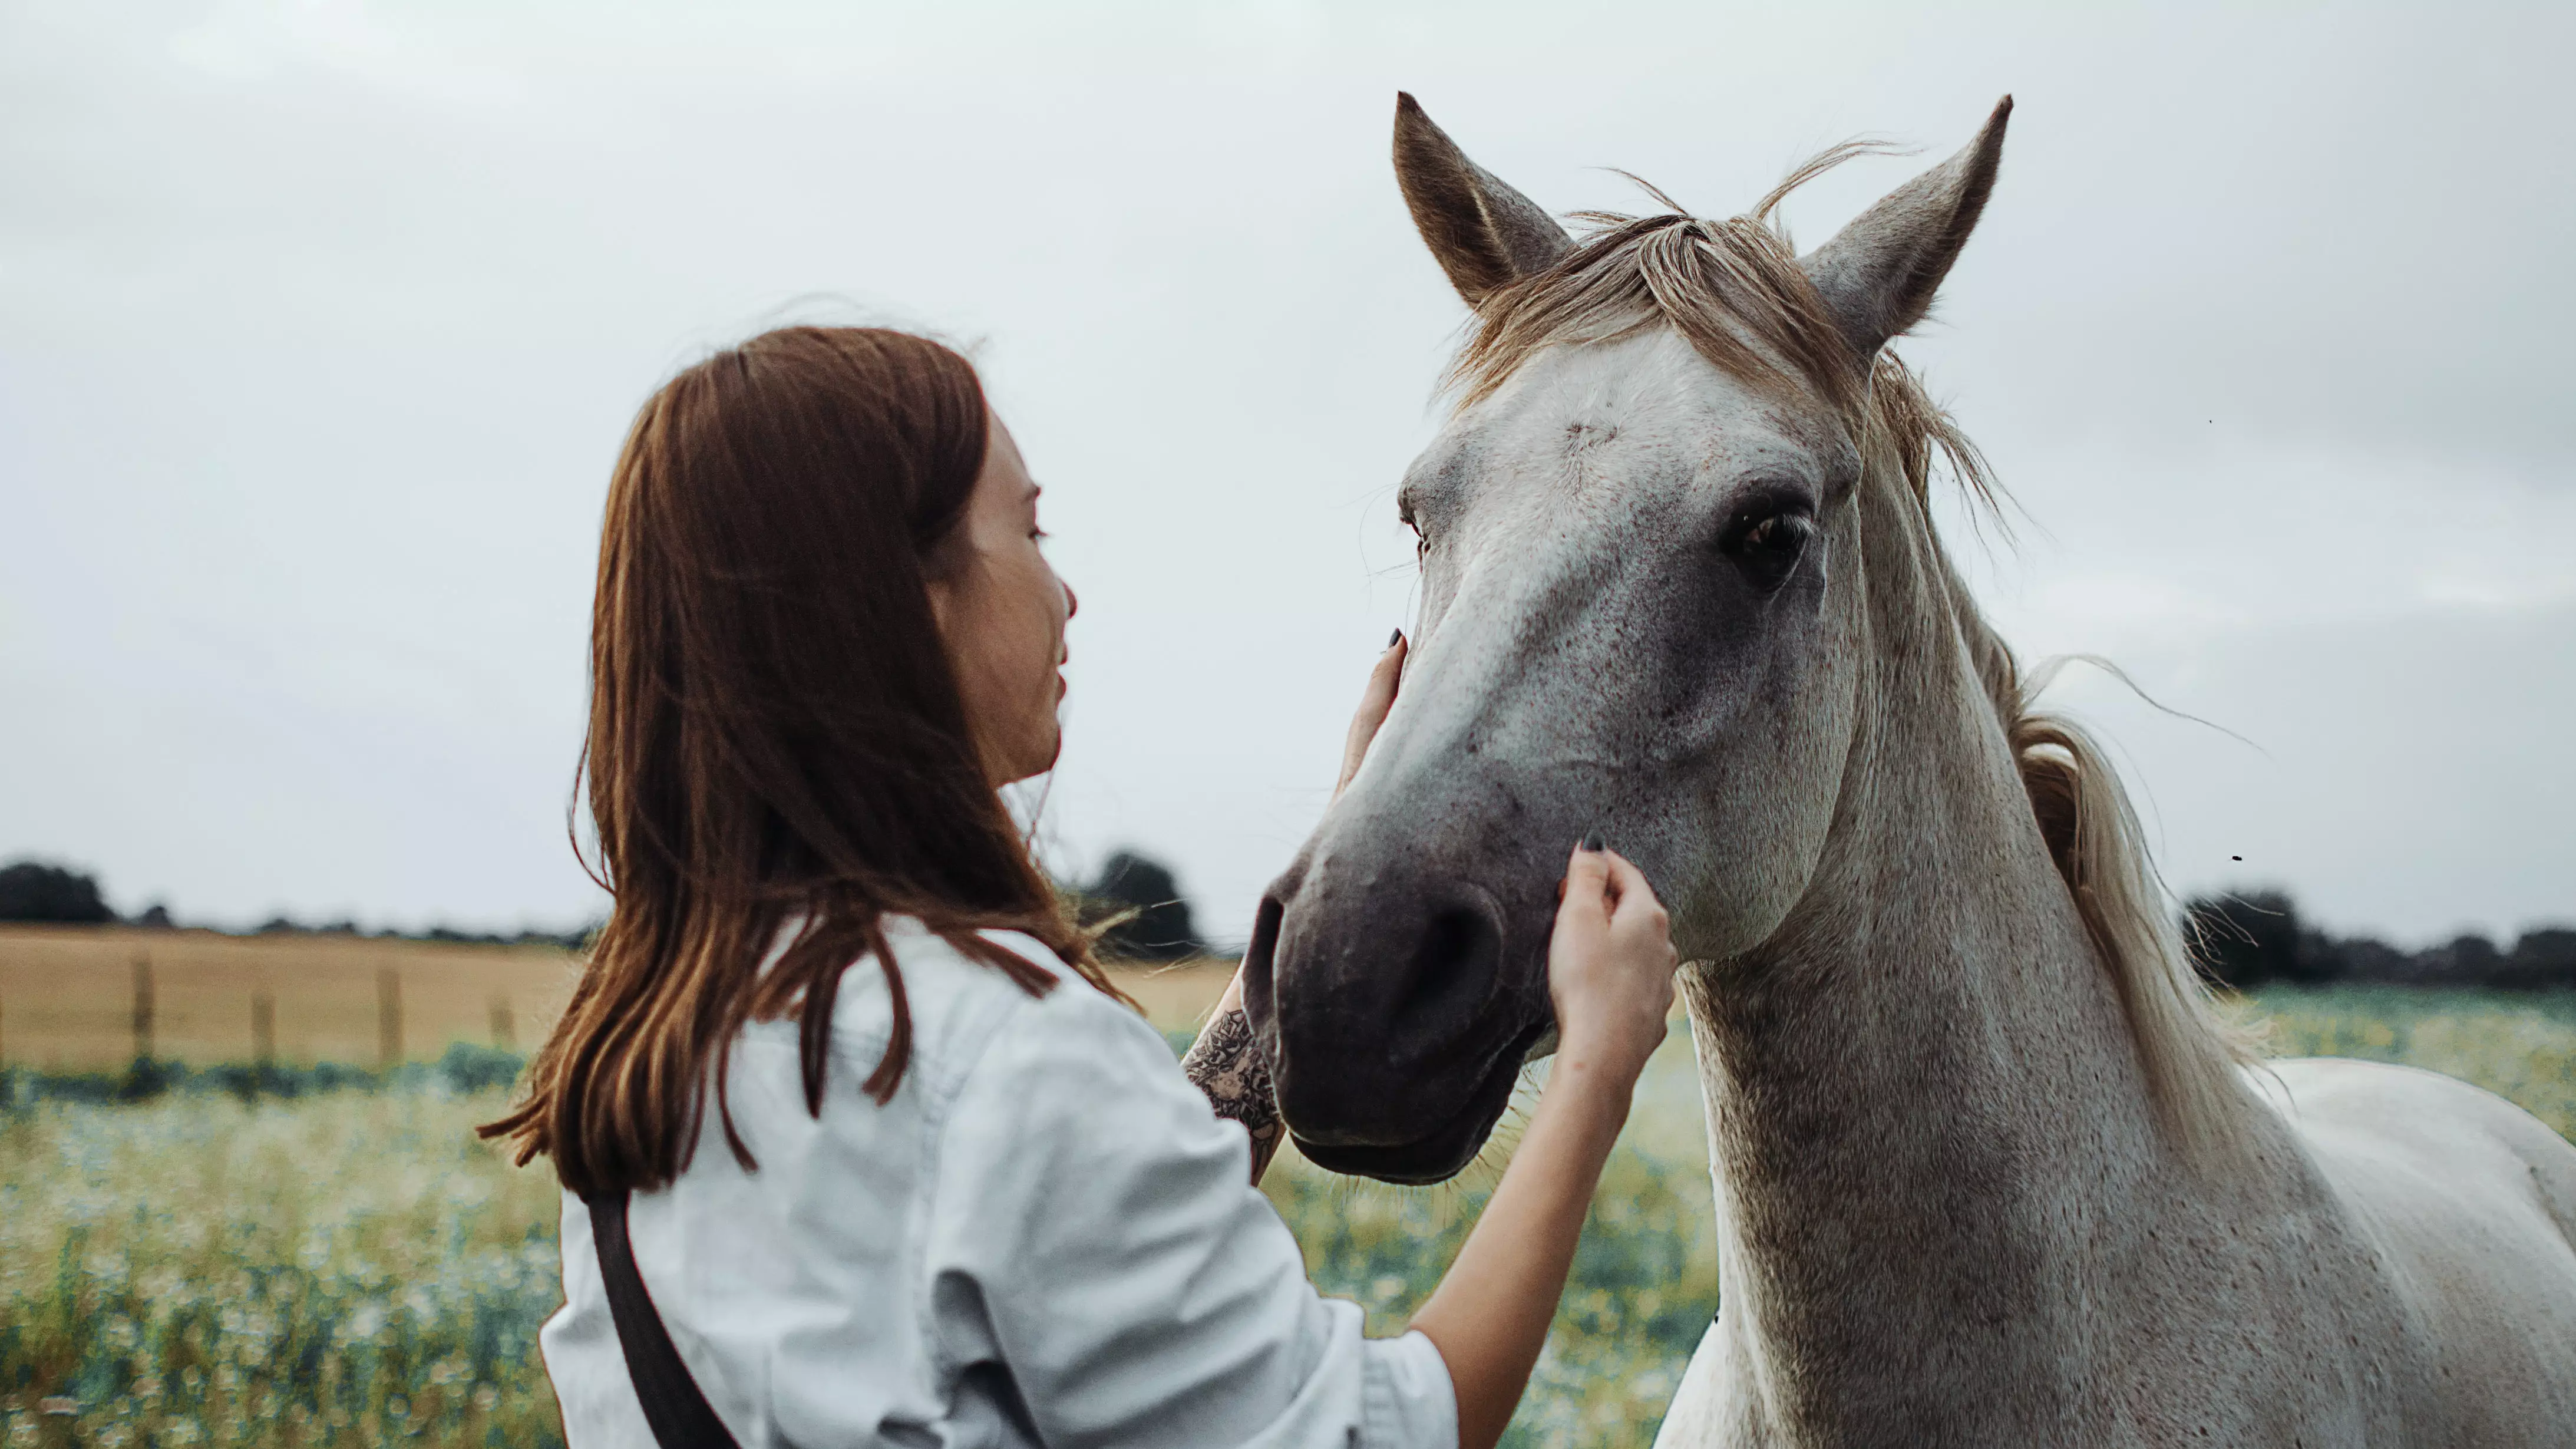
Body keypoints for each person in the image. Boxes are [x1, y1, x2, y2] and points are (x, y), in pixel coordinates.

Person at [484, 326, 1680, 1449]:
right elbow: (1392, 1428)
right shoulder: (997, 1053)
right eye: (1031, 532)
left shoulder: (664, 1052)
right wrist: (1595, 1063)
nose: (1065, 595)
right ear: (908, 599)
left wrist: (1327, 844)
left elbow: (1087, 1214)